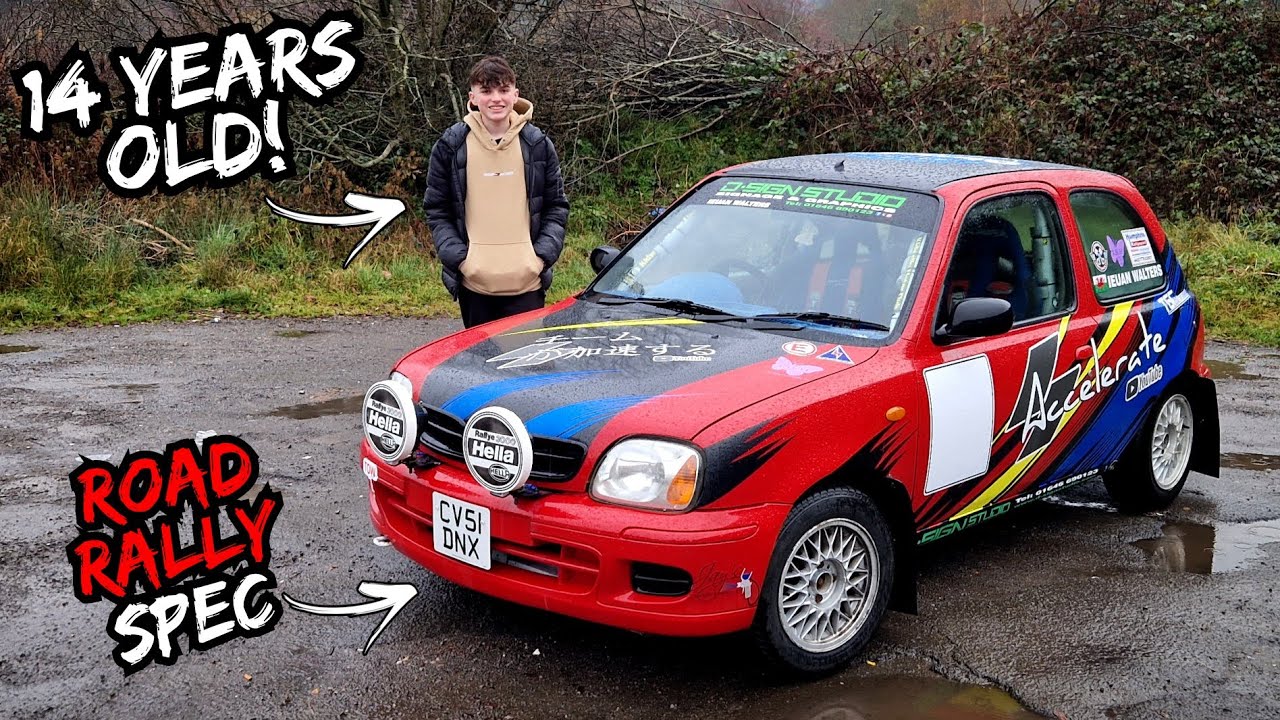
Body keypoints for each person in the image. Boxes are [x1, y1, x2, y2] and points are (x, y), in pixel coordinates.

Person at [424, 56, 569, 328]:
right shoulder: (451, 145)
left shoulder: (537, 144)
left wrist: (539, 259)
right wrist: (461, 260)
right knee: (480, 368)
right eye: (486, 91)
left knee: (524, 366)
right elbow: (437, 209)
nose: (496, 99)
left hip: (527, 284)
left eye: (503, 90)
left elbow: (556, 207)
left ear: (516, 95)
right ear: (473, 97)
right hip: (474, 286)